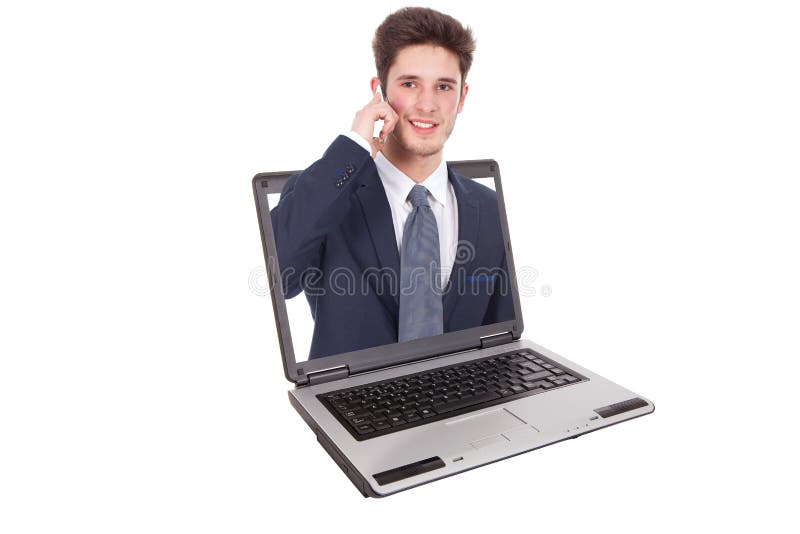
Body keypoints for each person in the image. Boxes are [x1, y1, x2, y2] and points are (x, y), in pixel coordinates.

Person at [270, 7, 514, 360]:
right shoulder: (329, 193)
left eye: (443, 86)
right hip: (354, 394)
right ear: (379, 91)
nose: (427, 104)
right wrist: (355, 145)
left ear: (462, 97)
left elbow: (500, 342)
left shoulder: (488, 207)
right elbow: (279, 278)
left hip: (464, 394)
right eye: (409, 84)